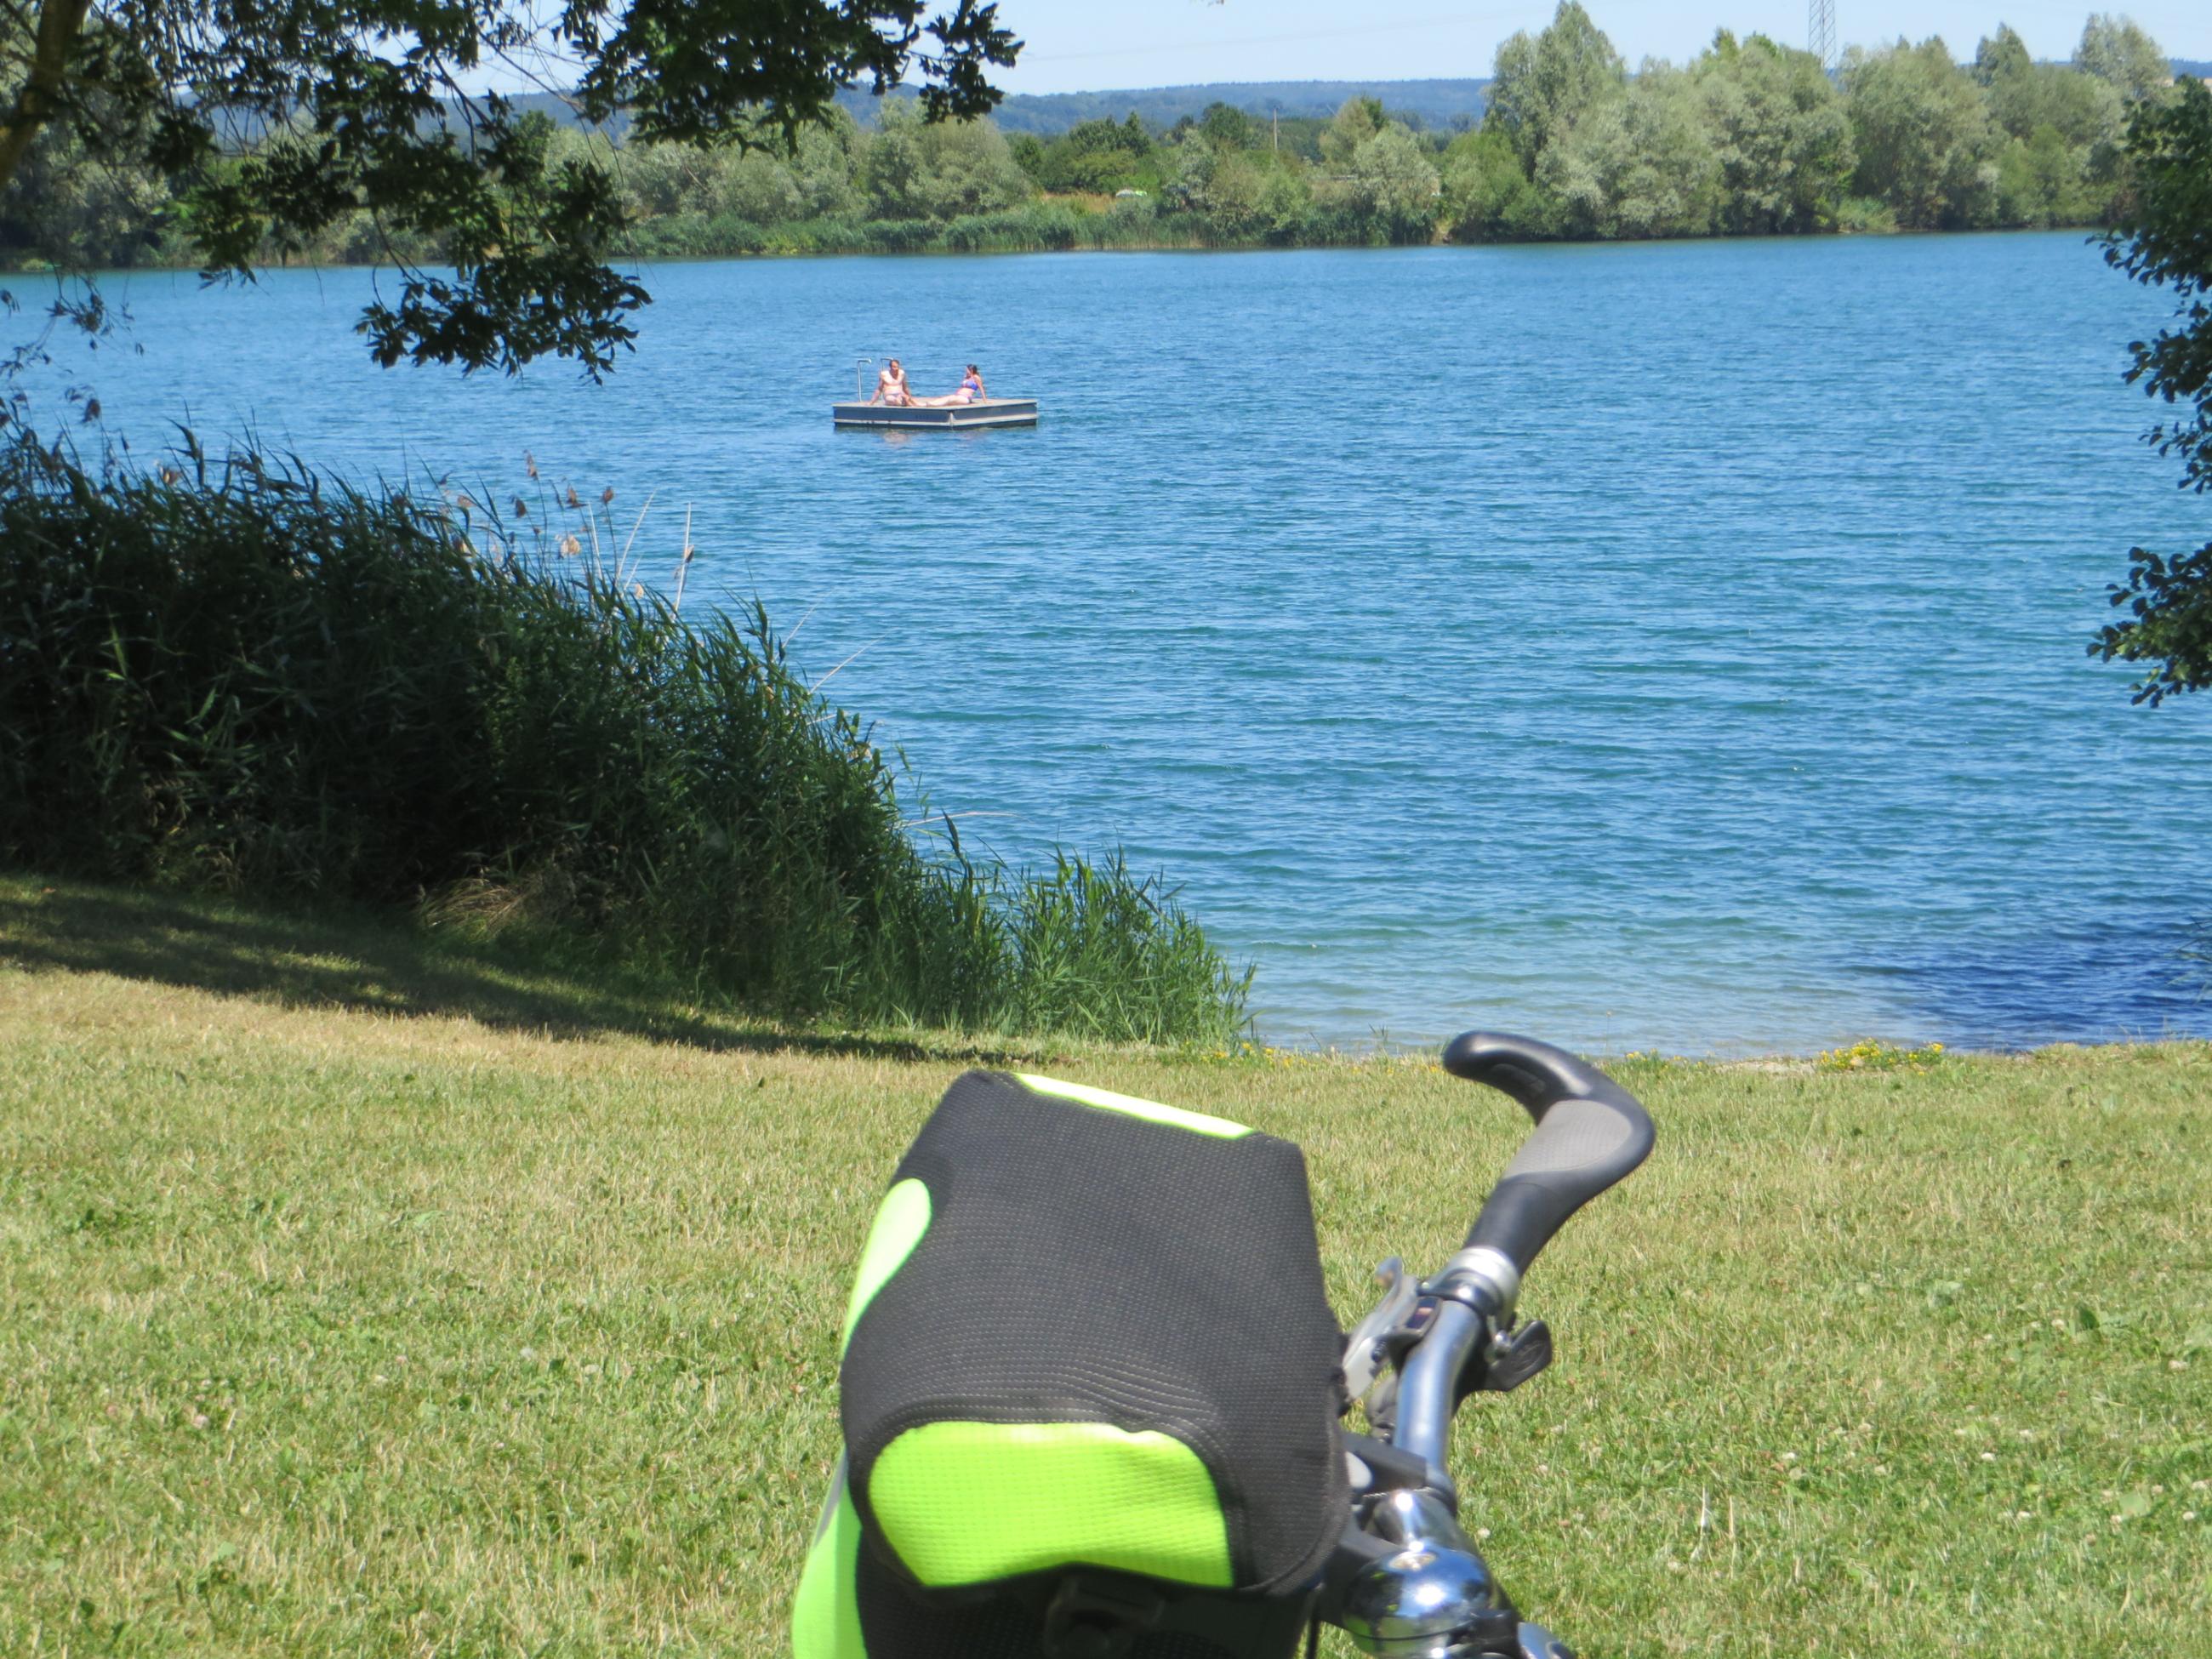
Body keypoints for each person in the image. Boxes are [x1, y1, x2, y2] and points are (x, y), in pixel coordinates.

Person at [915, 364, 987, 407]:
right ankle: (924, 404)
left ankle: (931, 404)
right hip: (958, 396)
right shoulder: (966, 377)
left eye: (967, 370)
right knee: (946, 399)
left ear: (971, 370)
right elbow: (962, 388)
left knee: (950, 399)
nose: (966, 371)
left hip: (966, 398)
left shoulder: (976, 377)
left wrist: (985, 401)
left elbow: (981, 389)